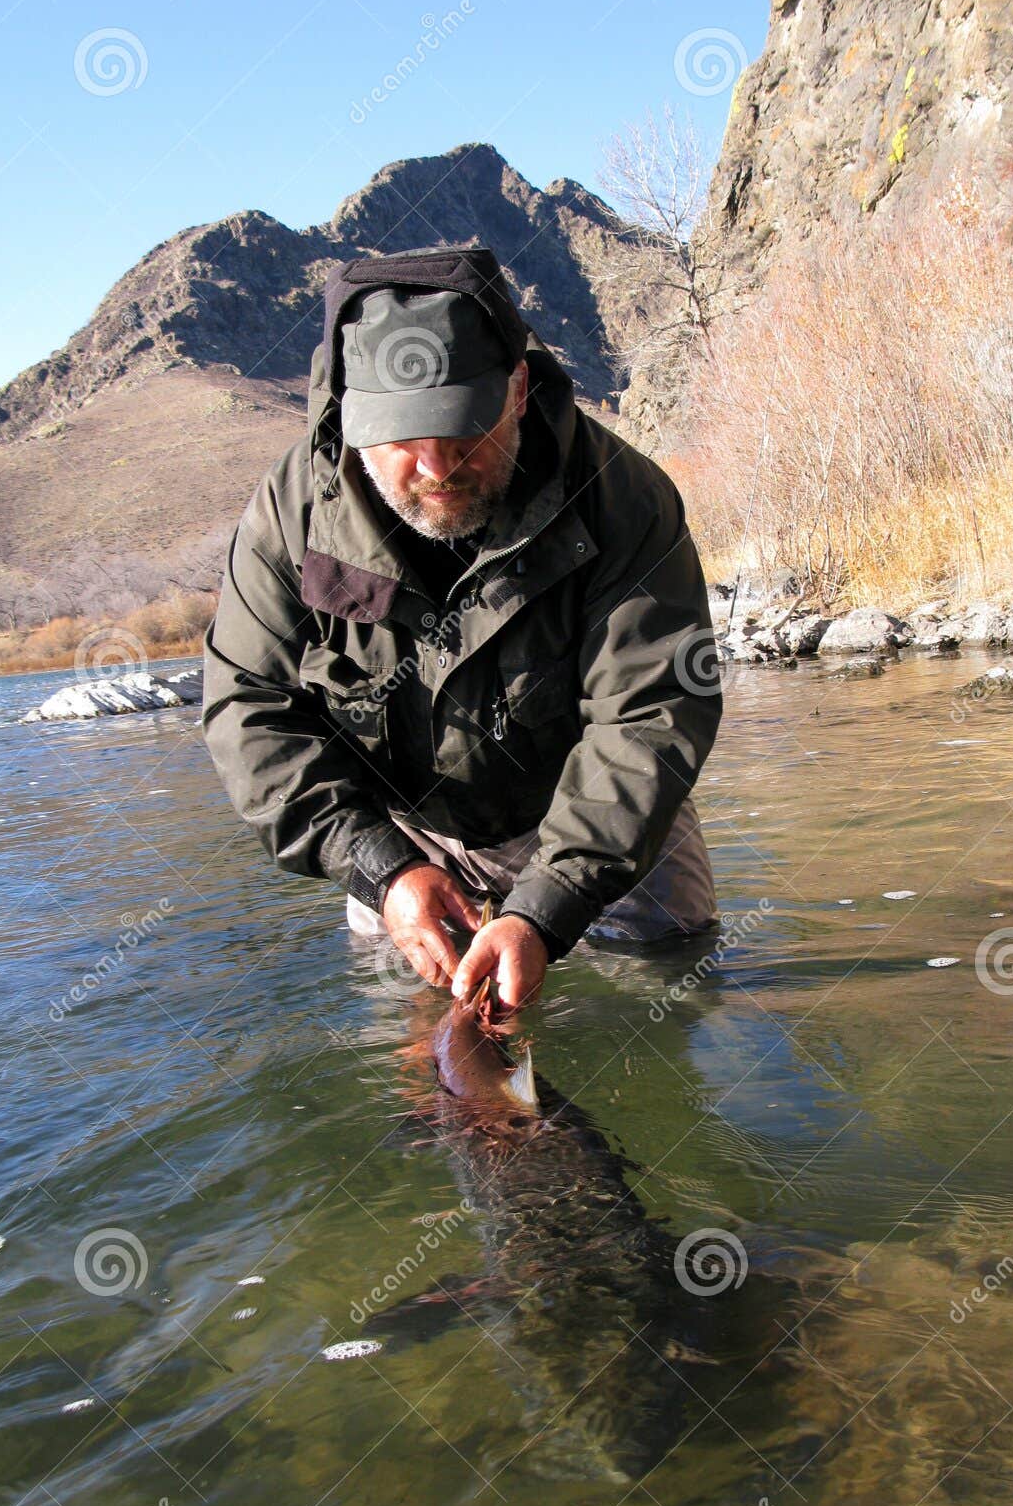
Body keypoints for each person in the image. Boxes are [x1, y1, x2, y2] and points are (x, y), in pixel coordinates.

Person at [202, 243, 722, 1010]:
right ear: (349, 418)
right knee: (418, 1054)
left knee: (673, 988)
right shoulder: (289, 517)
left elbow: (650, 715)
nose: (437, 468)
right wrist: (381, 868)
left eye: (460, 432)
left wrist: (547, 907)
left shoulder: (624, 500)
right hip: (406, 832)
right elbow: (250, 711)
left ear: (515, 389)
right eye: (401, 440)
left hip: (598, 809)